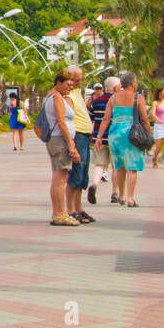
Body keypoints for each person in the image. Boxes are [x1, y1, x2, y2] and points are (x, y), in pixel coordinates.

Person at [99, 71, 151, 206]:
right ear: (133, 83)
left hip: (115, 135)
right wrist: (149, 135)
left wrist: (99, 137)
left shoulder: (114, 98)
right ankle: (130, 198)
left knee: (119, 167)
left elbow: (106, 119)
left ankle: (121, 196)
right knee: (132, 168)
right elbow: (144, 119)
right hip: (131, 135)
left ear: (121, 84)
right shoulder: (138, 98)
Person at [42, 70, 83, 226]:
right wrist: (71, 144)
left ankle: (59, 212)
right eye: (68, 84)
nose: (70, 88)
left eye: (72, 85)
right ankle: (59, 213)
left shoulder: (51, 96)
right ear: (58, 83)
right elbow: (61, 122)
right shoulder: (57, 97)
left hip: (57, 139)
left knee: (59, 177)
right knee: (60, 178)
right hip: (59, 140)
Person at [63, 66, 96, 224]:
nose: (79, 82)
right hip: (77, 136)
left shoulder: (76, 92)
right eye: (77, 80)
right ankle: (71, 210)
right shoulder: (68, 94)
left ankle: (78, 207)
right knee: (75, 173)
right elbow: (67, 119)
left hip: (84, 135)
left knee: (83, 175)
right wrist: (71, 144)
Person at [86, 77, 117, 204]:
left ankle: (94, 184)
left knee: (99, 164)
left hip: (99, 136)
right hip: (114, 136)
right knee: (116, 167)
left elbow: (91, 119)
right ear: (115, 88)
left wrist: (92, 135)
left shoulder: (97, 101)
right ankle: (115, 193)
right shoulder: (117, 101)